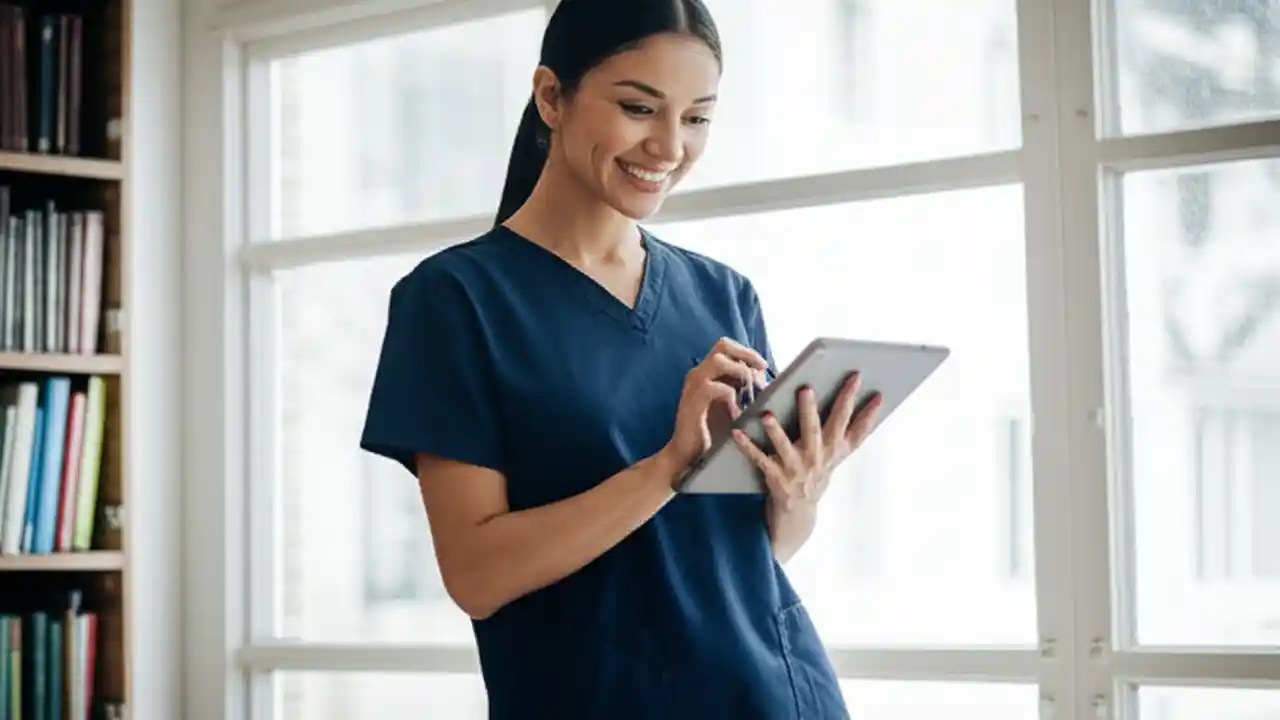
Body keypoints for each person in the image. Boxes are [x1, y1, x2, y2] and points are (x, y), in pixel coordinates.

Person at [360, 1, 883, 717]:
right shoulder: (454, 301)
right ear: (552, 96)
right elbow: (476, 576)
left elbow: (739, 561)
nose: (669, 146)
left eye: (696, 118)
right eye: (640, 107)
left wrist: (799, 496)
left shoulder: (724, 295)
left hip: (776, 694)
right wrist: (667, 469)